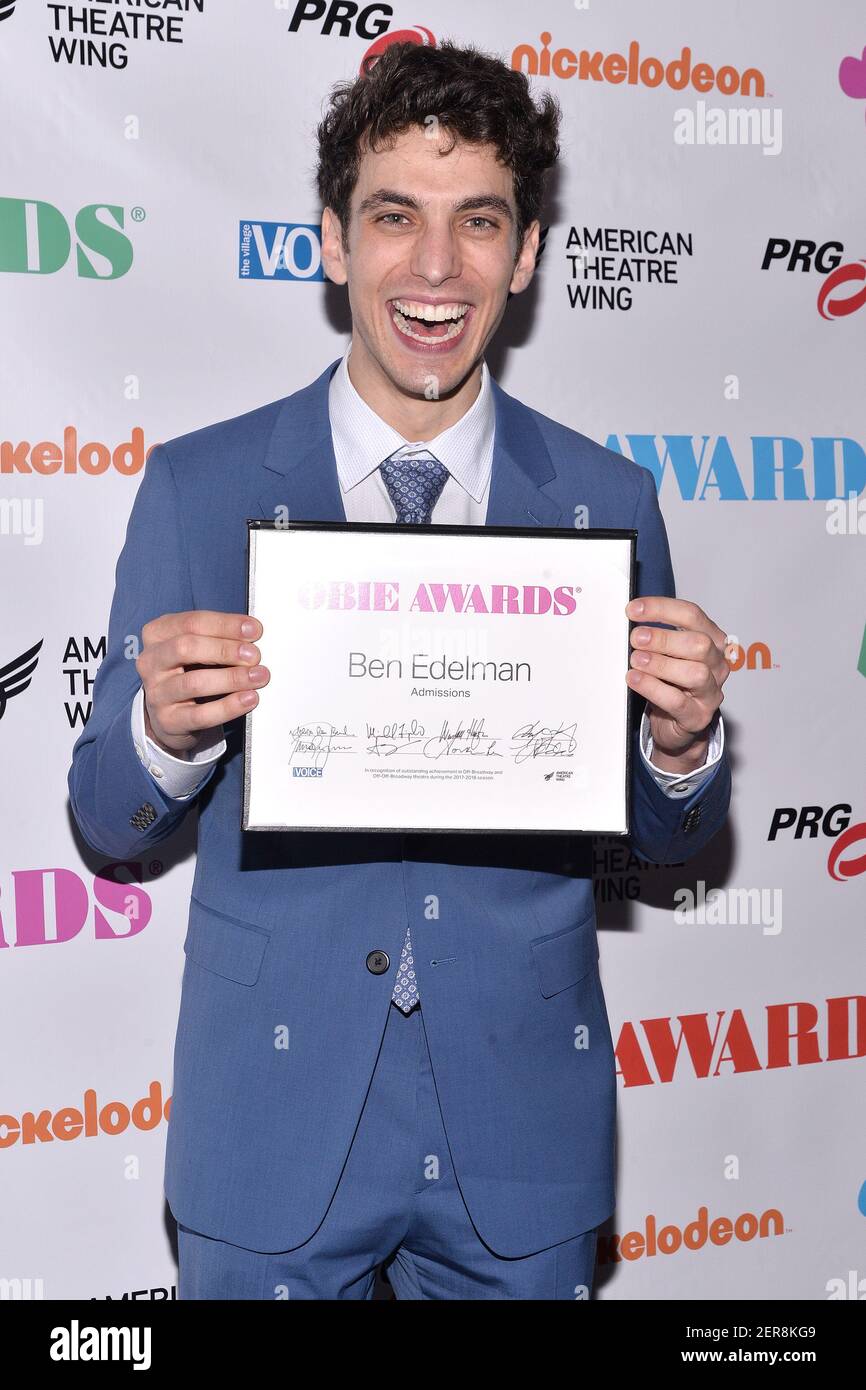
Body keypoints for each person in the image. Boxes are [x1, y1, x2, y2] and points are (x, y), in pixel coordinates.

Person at [68, 40, 731, 1300]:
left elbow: (657, 837)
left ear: (526, 254)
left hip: (519, 1123)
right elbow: (107, 810)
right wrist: (164, 732)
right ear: (330, 240)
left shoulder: (604, 498)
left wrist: (682, 745)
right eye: (394, 219)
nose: (435, 269)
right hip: (270, 1116)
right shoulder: (200, 489)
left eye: (477, 222)